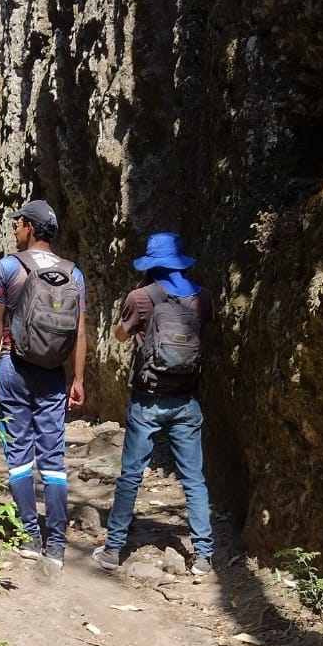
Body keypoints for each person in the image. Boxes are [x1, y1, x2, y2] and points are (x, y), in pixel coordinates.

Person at [92, 232, 215, 579]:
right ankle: (204, 556)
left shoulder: (140, 297)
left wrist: (128, 323)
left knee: (131, 474)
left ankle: (114, 549)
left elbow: (121, 334)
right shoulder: (202, 297)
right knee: (193, 478)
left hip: (148, 400)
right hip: (187, 400)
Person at [0, 199, 86, 569]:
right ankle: (56, 544)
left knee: (19, 453)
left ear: (28, 226)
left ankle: (29, 535)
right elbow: (79, 332)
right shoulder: (74, 274)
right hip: (53, 374)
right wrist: (78, 379)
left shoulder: (8, 268)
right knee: (53, 457)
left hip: (13, 366)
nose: (14, 230)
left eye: (17, 224)